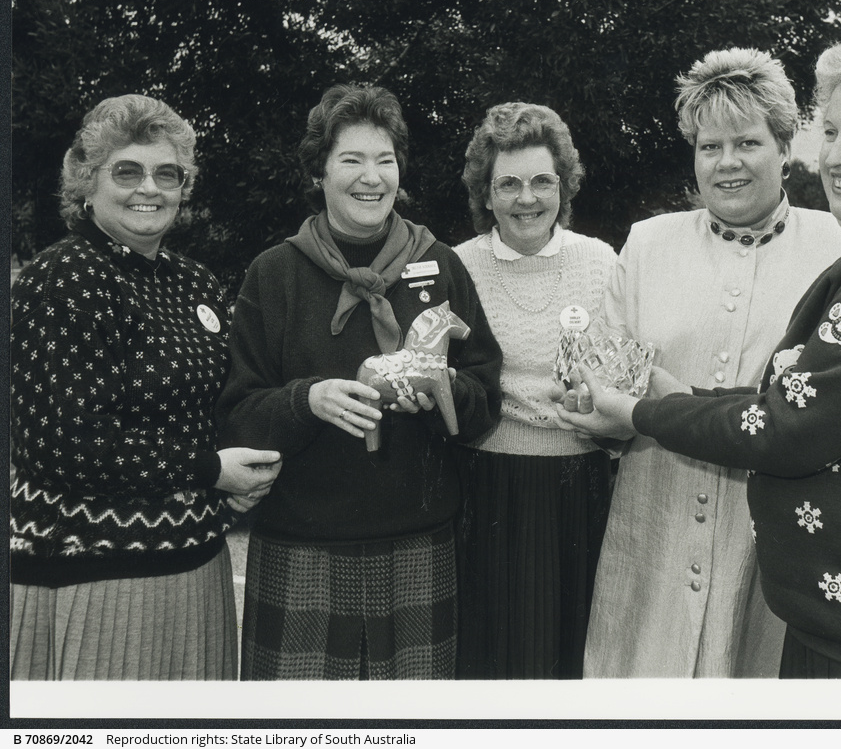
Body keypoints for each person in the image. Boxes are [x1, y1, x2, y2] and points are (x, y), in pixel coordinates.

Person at [558, 35, 841, 679]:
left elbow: (786, 426)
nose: (835, 156)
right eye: (830, 133)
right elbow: (803, 403)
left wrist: (645, 410)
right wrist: (656, 400)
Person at [578, 48, 841, 679]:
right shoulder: (647, 243)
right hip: (656, 530)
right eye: (709, 146)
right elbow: (606, 384)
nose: (726, 162)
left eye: (747, 142)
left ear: (784, 148)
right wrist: (594, 409)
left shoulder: (837, 248)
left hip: (774, 541)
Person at [216, 83, 503, 680]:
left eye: (385, 159)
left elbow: (484, 401)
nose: (371, 177)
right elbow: (237, 413)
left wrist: (441, 387)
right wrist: (307, 400)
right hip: (301, 545)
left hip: (419, 543)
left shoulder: (442, 265)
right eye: (351, 160)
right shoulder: (274, 274)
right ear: (319, 172)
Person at [9, 94, 282, 681]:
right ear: (87, 182)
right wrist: (211, 470)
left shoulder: (194, 282)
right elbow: (64, 444)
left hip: (195, 568)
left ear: (184, 188)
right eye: (126, 171)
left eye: (167, 174)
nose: (148, 188)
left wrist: (237, 469)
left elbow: (219, 405)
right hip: (93, 578)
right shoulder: (64, 275)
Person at [452, 102, 617, 679]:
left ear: (564, 186)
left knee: (569, 657)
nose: (527, 199)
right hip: (485, 486)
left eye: (542, 180)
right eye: (509, 184)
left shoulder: (602, 263)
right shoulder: (455, 267)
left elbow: (622, 376)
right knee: (490, 656)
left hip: (581, 486)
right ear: (486, 193)